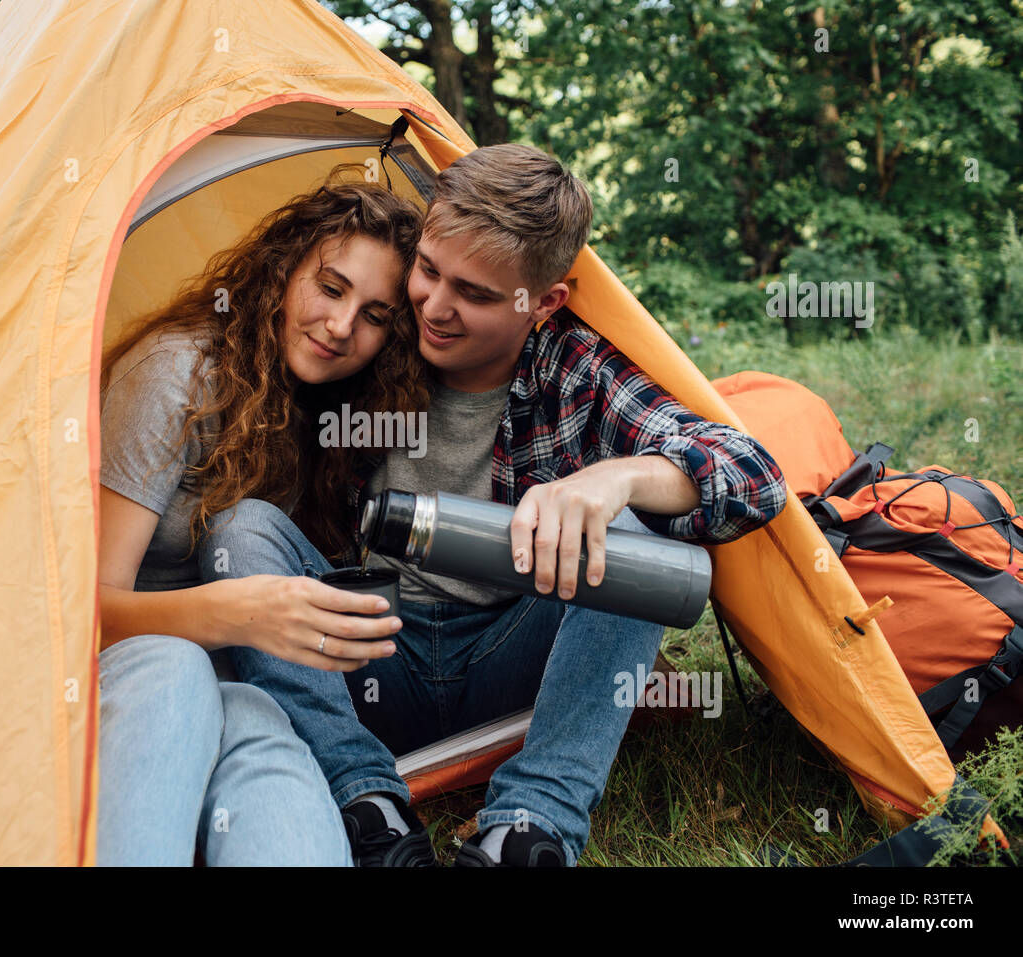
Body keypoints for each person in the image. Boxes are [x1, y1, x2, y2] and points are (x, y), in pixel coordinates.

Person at [200, 145, 789, 866]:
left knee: (639, 539)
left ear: (543, 302)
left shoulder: (571, 368)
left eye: (476, 295)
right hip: (373, 653)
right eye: (428, 271)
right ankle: (367, 807)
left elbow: (754, 475)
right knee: (241, 528)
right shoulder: (380, 336)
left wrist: (618, 480)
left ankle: (530, 827)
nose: (437, 309)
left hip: (516, 654)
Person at [95, 179, 429, 866]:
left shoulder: (320, 407)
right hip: (130, 668)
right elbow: (84, 615)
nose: (341, 327)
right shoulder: (177, 375)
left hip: (233, 673)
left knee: (267, 734)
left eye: (373, 315)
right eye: (330, 288)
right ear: (283, 270)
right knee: (184, 671)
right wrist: (235, 613)